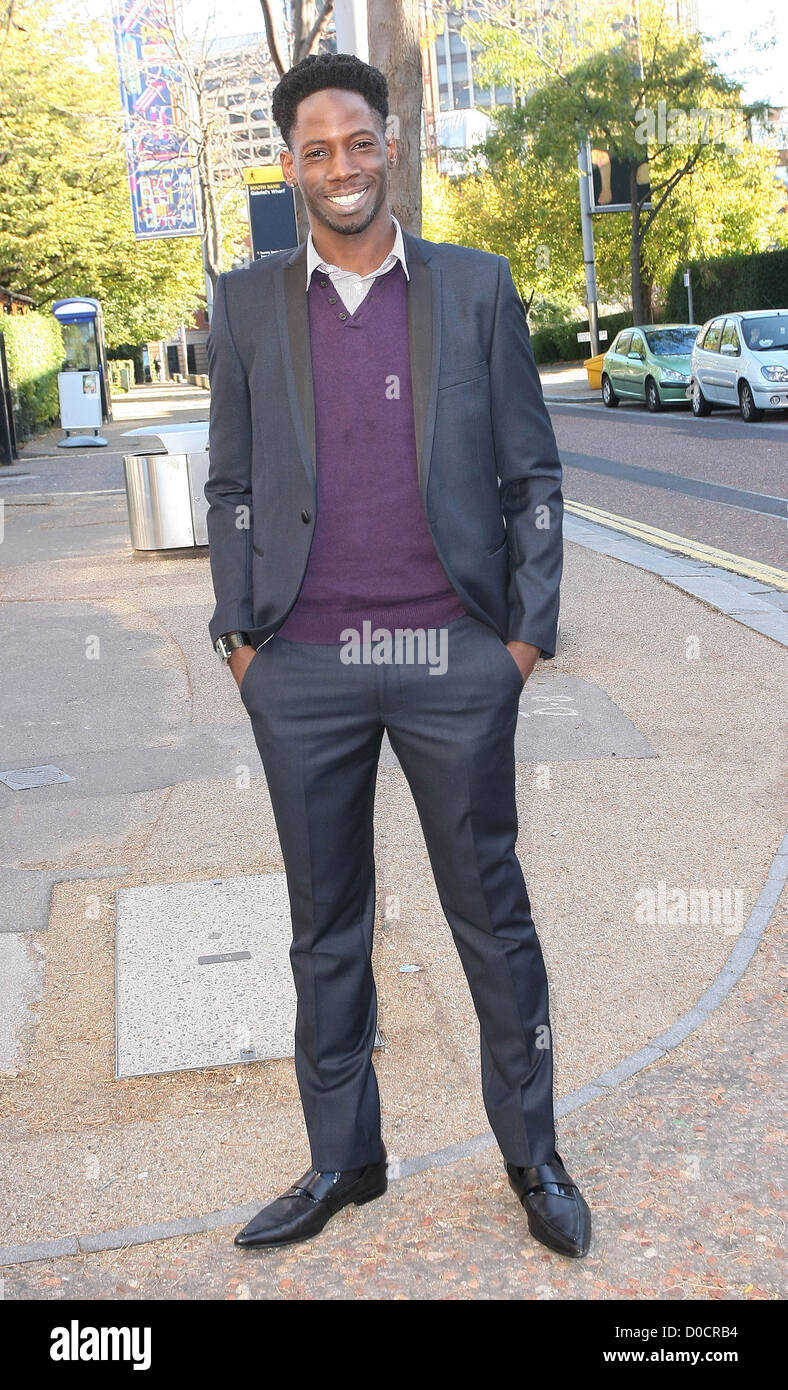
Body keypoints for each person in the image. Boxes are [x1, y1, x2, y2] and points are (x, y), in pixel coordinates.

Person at [204, 52, 591, 1260]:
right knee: (325, 929)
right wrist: (241, 639)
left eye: (358, 141)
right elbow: (228, 485)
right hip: (301, 670)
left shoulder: (474, 291)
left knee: (493, 920)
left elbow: (531, 474)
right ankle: (343, 1160)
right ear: (290, 164)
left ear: (389, 146)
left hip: (453, 661)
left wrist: (521, 639)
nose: (341, 166)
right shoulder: (245, 304)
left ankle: (532, 1158)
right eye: (315, 148)